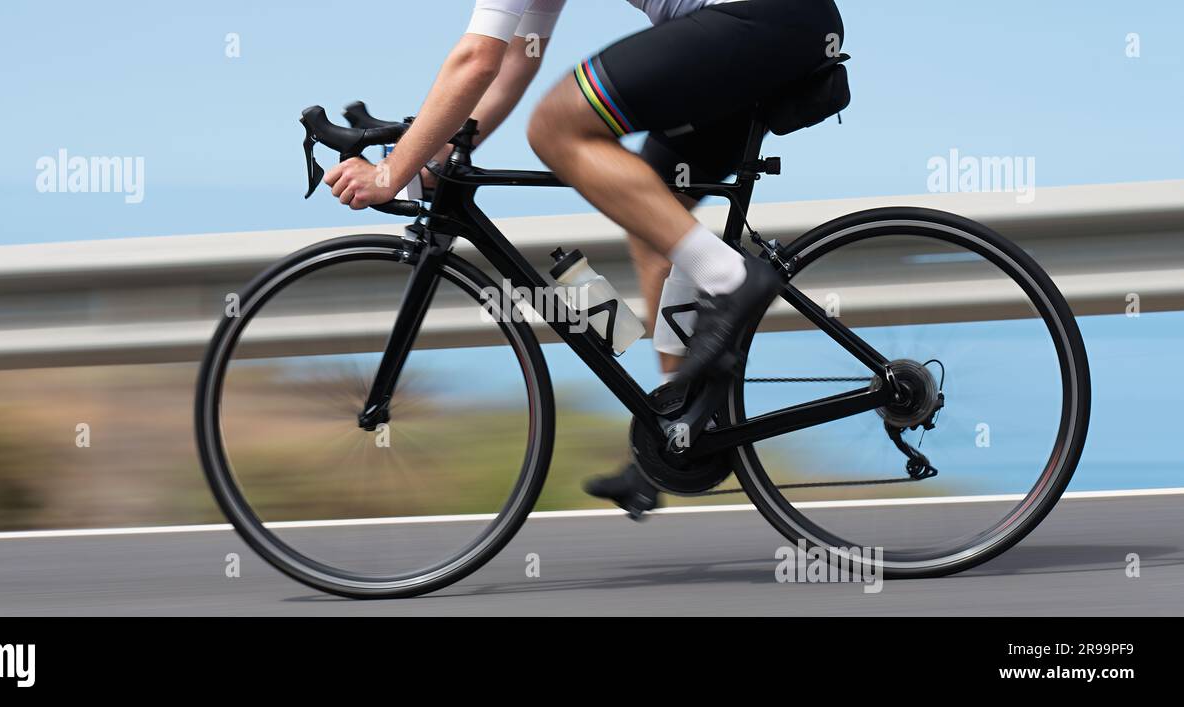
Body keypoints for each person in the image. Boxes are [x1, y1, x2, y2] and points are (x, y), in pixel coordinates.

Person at [324, 0, 845, 517]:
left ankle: (728, 278)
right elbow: (516, 61)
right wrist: (427, 165)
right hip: (775, 24)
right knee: (654, 217)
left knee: (555, 126)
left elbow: (476, 59)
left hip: (761, 17)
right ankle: (681, 429)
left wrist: (391, 172)